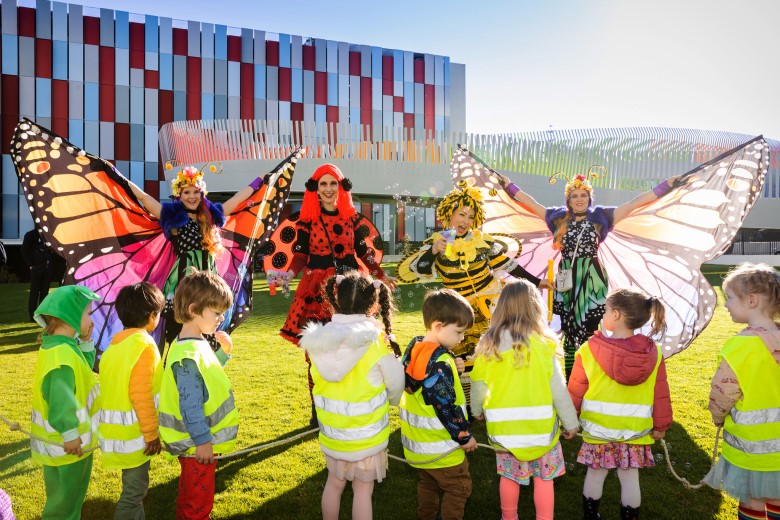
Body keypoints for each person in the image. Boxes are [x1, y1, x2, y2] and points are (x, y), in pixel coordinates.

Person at [498, 170, 684, 377]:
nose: (579, 199)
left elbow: (634, 203)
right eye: (574, 196)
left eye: (583, 195)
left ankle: (588, 376)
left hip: (592, 280)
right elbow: (531, 203)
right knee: (569, 333)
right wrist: (509, 186)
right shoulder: (558, 219)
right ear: (568, 199)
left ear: (589, 197)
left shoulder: (601, 217)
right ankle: (571, 378)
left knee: (589, 330)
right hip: (567, 280)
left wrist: (666, 185)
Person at [397, 182, 549, 397]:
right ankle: (468, 399)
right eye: (461, 214)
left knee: (495, 348)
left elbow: (507, 264)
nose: (466, 221)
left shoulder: (481, 240)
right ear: (449, 214)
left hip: (491, 304)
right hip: (458, 307)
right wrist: (432, 251)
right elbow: (420, 269)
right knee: (461, 353)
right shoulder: (437, 242)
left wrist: (536, 281)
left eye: (470, 217)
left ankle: (497, 393)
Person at [278, 163, 396, 423]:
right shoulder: (307, 220)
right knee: (317, 350)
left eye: (334, 183)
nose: (329, 189)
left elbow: (363, 252)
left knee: (351, 345)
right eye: (323, 184)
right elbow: (299, 255)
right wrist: (288, 273)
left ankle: (348, 400)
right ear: (316, 189)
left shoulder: (352, 218)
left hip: (348, 289)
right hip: (317, 289)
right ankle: (317, 409)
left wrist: (380, 274)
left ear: (342, 187)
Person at [299, 271, 405, 520]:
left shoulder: (318, 341)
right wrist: (391, 401)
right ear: (374, 302)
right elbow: (396, 382)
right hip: (366, 436)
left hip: (333, 433)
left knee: (334, 484)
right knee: (362, 491)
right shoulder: (375, 342)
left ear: (336, 297)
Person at [470, 279, 579, 520]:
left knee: (509, 476)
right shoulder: (544, 345)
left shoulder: (489, 345)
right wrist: (571, 423)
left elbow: (478, 384)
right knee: (544, 478)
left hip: (506, 432)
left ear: (501, 308)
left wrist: (475, 410)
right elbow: (558, 390)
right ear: (535, 308)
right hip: (542, 433)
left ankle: (509, 517)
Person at [128, 163, 268, 348]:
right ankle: (178, 364)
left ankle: (204, 363)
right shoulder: (173, 217)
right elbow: (144, 197)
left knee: (208, 322)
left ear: (202, 194)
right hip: (184, 278)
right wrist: (114, 173)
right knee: (181, 324)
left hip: (209, 277)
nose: (191, 196)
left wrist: (260, 180)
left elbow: (236, 199)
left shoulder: (211, 217)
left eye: (196, 192)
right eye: (186, 192)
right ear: (179, 194)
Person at [567, 287, 672, 520]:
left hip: (599, 429)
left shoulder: (589, 349)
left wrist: (569, 420)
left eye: (605, 310)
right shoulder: (653, 352)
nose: (603, 315)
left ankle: (591, 516)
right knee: (630, 477)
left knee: (595, 474)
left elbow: (576, 389)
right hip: (634, 432)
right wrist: (661, 425)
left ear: (615, 315)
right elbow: (660, 392)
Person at [158, 270, 238, 520]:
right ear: (194, 310)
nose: (221, 318)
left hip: (198, 445)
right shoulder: (187, 356)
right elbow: (190, 405)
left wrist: (223, 354)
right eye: (216, 312)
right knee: (198, 502)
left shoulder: (194, 342)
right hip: (197, 446)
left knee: (190, 494)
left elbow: (204, 383)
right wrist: (203, 442)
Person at [705, 263, 780, 520]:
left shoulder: (741, 347)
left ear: (751, 300)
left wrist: (717, 415)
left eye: (730, 299)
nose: (725, 305)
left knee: (753, 500)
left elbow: (723, 392)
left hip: (753, 450)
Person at [400, 288, 477, 520]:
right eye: (459, 332)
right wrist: (463, 435)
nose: (462, 338)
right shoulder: (441, 363)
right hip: (442, 448)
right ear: (438, 327)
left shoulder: (416, 346)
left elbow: (423, 373)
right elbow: (445, 406)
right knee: (458, 487)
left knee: (428, 484)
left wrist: (453, 362)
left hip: (419, 447)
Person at [30, 285, 101, 520]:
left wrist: (87, 341)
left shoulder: (61, 346)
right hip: (69, 445)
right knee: (67, 503)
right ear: (70, 316)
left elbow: (83, 367)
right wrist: (70, 434)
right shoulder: (62, 356)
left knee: (60, 497)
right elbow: (60, 400)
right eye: (88, 313)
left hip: (57, 444)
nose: (91, 318)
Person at [98, 282, 165, 519]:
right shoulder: (144, 346)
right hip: (136, 436)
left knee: (134, 492)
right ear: (151, 316)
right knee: (133, 493)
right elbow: (141, 394)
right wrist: (151, 433)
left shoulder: (114, 345)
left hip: (115, 434)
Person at [21, 228, 53, 322]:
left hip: (47, 267)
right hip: (36, 268)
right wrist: (30, 265)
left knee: (45, 292)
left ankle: (42, 315)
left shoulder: (48, 234)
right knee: (34, 293)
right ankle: (33, 317)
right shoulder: (30, 234)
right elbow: (24, 250)